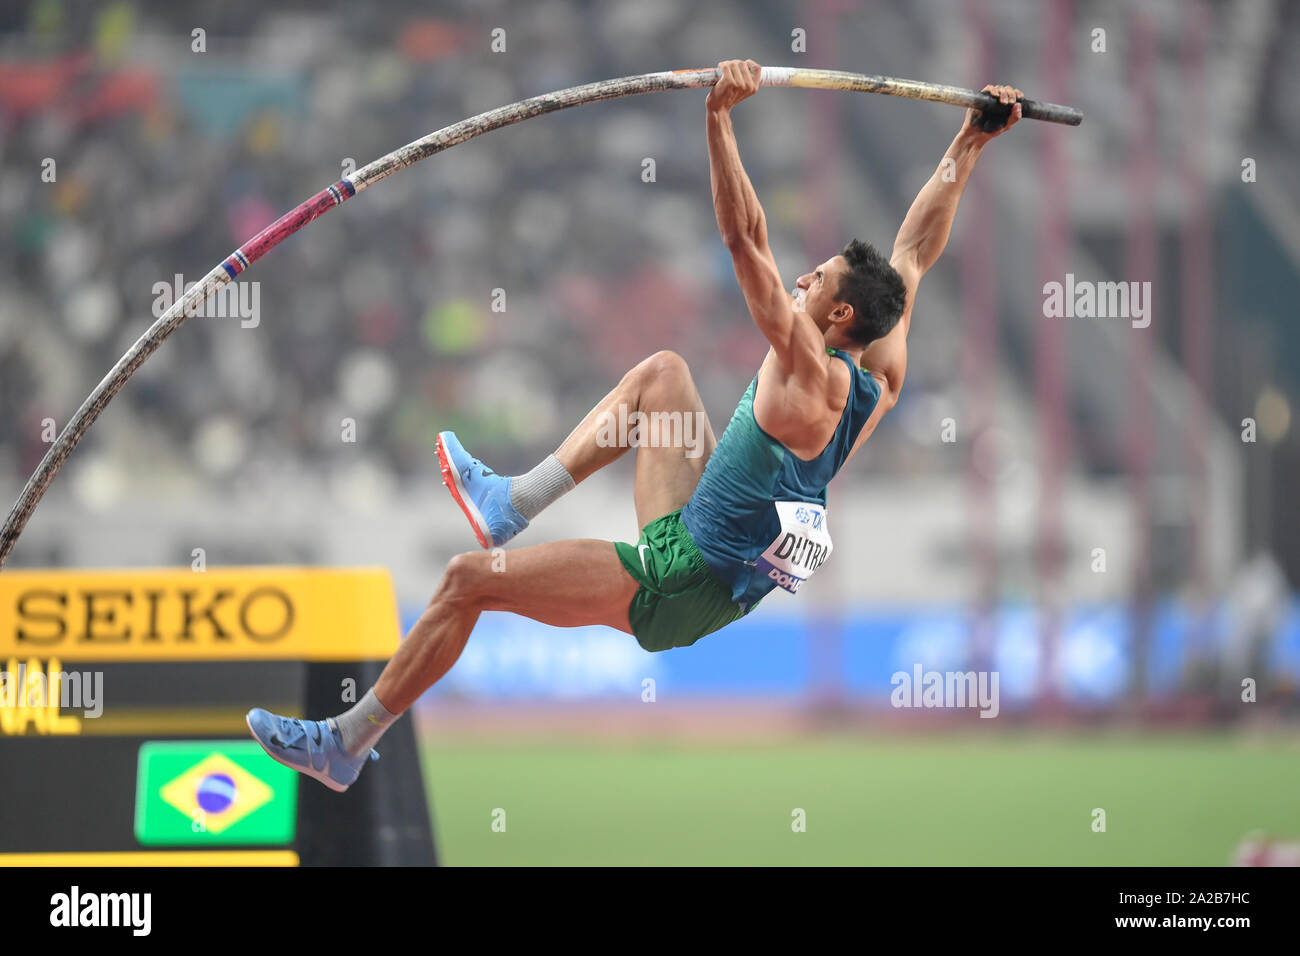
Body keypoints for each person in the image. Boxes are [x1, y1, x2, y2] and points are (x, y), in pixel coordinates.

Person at [247, 60, 1024, 791]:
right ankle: (511, 503)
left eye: (814, 281)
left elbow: (744, 240)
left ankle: (347, 742)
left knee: (463, 583)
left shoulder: (808, 370)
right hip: (699, 537)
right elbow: (914, 251)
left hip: (677, 581)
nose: (799, 280)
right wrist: (969, 141)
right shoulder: (878, 377)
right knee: (664, 374)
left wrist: (719, 117)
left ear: (840, 315)